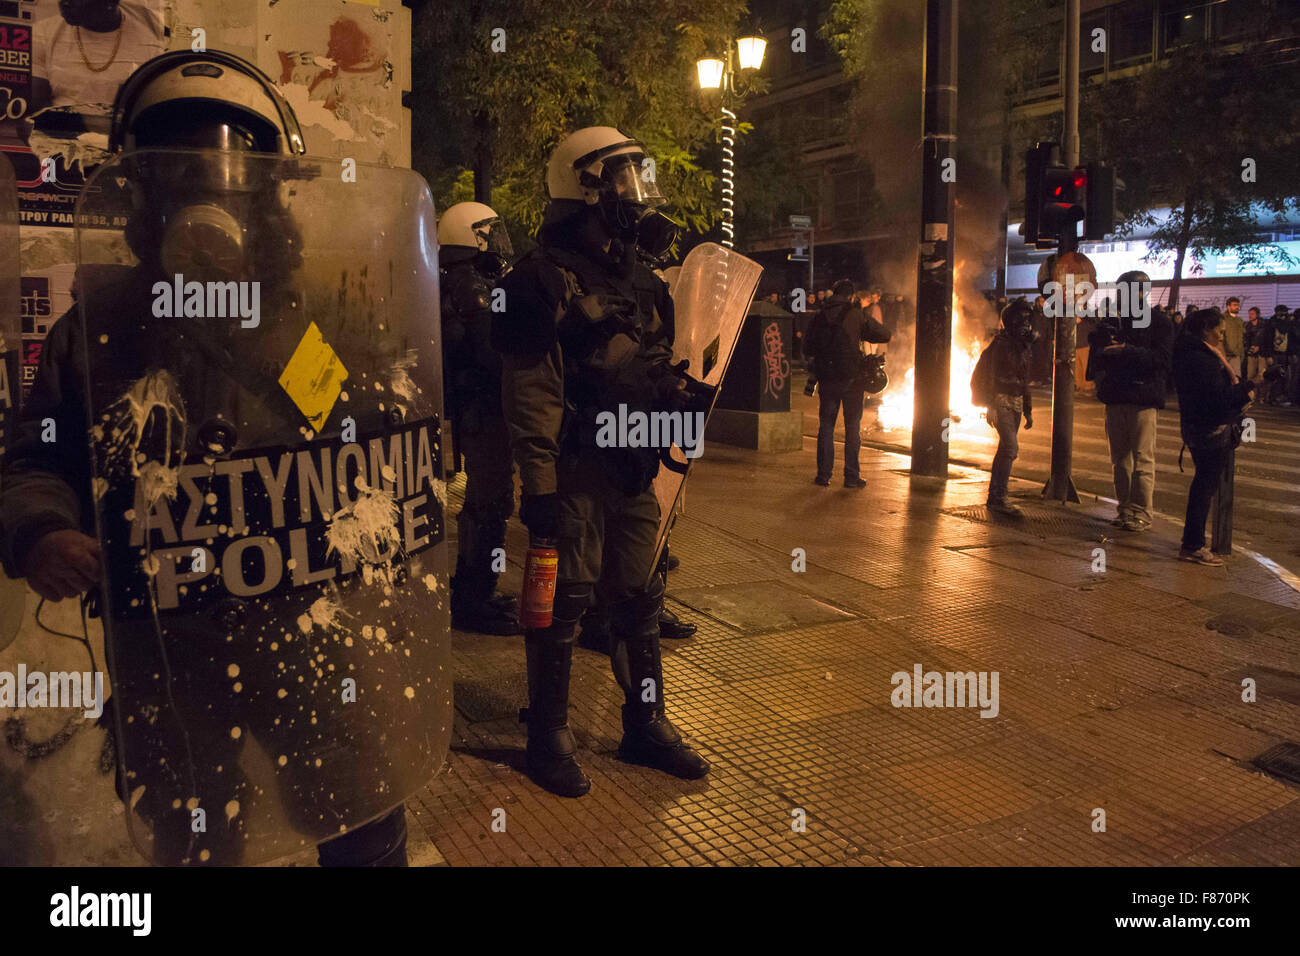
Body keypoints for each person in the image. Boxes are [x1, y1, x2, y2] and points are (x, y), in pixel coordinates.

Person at [0, 50, 417, 865]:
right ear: (139, 193)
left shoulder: (306, 325)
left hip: (303, 623)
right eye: (175, 167)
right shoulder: (98, 331)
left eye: (225, 163)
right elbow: (36, 457)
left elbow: (369, 444)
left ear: (266, 189)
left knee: (360, 807)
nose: (204, 184)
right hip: (163, 636)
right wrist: (41, 530)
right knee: (194, 826)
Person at [492, 126, 709, 797]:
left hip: (632, 465)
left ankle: (645, 723)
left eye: (636, 179)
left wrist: (675, 403)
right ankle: (547, 735)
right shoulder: (537, 281)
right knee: (564, 604)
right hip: (577, 468)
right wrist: (541, 489)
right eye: (622, 179)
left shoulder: (637, 278)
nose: (634, 195)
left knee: (642, 598)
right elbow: (533, 394)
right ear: (584, 185)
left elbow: (648, 364)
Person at [439, 202, 522, 635]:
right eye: (487, 233)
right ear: (468, 236)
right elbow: (493, 352)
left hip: (474, 411)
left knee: (482, 502)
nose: (496, 242)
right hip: (485, 411)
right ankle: (474, 599)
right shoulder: (473, 288)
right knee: (490, 502)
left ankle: (472, 590)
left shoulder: (455, 280)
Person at [1086, 270, 1174, 533]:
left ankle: (1141, 511)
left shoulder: (1158, 322)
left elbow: (1162, 360)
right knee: (1120, 459)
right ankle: (1125, 508)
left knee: (1142, 459)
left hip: (1142, 397)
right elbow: (1097, 359)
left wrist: (1127, 350)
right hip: (1116, 396)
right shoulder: (1115, 320)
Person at [1172, 308, 1256, 566]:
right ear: (1206, 329)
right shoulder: (1201, 359)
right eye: (1219, 331)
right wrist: (1245, 392)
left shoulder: (1192, 353)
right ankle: (1193, 544)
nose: (1221, 337)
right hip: (1209, 428)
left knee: (1204, 485)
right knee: (1204, 487)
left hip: (1197, 426)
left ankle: (1193, 542)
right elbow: (1216, 398)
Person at [805, 278, 890, 488]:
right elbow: (884, 334)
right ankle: (851, 476)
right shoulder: (856, 315)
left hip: (827, 378)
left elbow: (807, 348)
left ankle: (823, 476)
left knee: (826, 426)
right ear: (851, 296)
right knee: (853, 426)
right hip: (852, 379)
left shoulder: (819, 316)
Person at [984, 300, 1036, 516]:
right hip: (1001, 400)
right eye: (1022, 320)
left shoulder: (1022, 346)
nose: (1026, 325)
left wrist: (1028, 409)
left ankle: (995, 495)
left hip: (1015, 401)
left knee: (1004, 449)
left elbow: (1024, 379)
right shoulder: (1000, 345)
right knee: (1010, 448)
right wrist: (990, 405)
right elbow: (988, 376)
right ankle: (999, 497)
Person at [1220, 296, 1245, 379]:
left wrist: (1241, 353)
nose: (1237, 307)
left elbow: (1241, 338)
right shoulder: (1222, 319)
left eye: (1237, 305)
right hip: (1225, 355)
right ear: (1228, 306)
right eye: (1234, 305)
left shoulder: (1239, 320)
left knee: (1236, 378)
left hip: (1236, 355)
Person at [1243, 306, 1266, 385]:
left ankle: (1262, 395)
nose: (1250, 316)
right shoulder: (1247, 326)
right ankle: (1252, 394)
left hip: (1262, 353)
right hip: (1251, 353)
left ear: (1257, 315)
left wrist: (1259, 347)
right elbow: (1245, 340)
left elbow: (1267, 339)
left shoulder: (1264, 325)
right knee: (1250, 374)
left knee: (1262, 375)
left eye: (1252, 314)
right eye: (1249, 314)